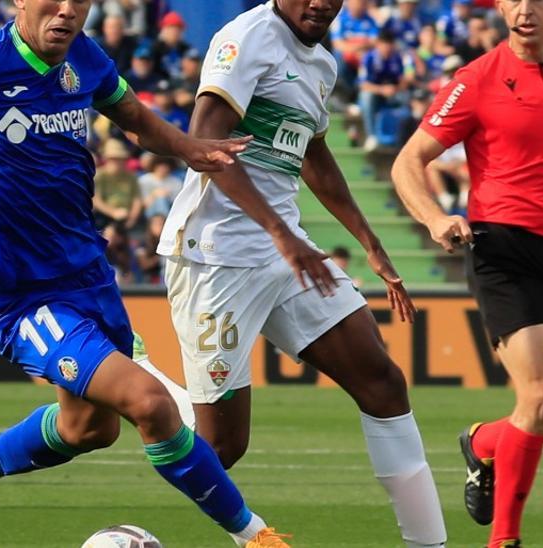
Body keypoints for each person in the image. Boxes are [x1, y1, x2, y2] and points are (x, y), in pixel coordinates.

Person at [0, 2, 290, 546]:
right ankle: (255, 536)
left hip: (89, 275)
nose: (66, 11)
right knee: (150, 403)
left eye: (79, 0)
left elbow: (133, 117)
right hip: (25, 296)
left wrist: (190, 148)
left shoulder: (84, 59)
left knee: (89, 428)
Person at [157, 1, 445, 546]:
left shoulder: (321, 65)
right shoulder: (247, 37)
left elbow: (314, 155)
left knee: (382, 381)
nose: (320, 2)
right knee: (221, 448)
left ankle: (428, 543)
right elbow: (204, 140)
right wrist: (280, 233)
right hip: (215, 256)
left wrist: (370, 241)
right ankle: (145, 389)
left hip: (284, 251)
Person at [389, 0, 543, 542]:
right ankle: (504, 539)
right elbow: (408, 161)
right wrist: (433, 217)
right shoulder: (476, 79)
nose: (524, 9)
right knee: (540, 392)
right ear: (500, 7)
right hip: (500, 247)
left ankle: (484, 444)